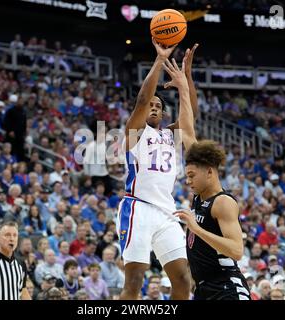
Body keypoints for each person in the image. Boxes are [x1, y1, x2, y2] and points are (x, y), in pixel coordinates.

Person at [117, 40, 199, 300]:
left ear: (164, 113)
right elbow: (142, 99)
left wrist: (185, 77)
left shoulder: (170, 135)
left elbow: (191, 114)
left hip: (166, 211)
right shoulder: (136, 132)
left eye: (159, 106)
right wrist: (159, 60)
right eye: (151, 105)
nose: (153, 107)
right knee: (134, 282)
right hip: (137, 207)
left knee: (183, 280)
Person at [163, 57, 250, 300]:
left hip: (227, 288)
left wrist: (196, 228)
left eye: (191, 176)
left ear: (209, 171)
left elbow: (236, 250)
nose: (187, 181)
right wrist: (183, 84)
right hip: (204, 289)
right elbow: (188, 129)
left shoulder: (223, 202)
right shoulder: (200, 191)